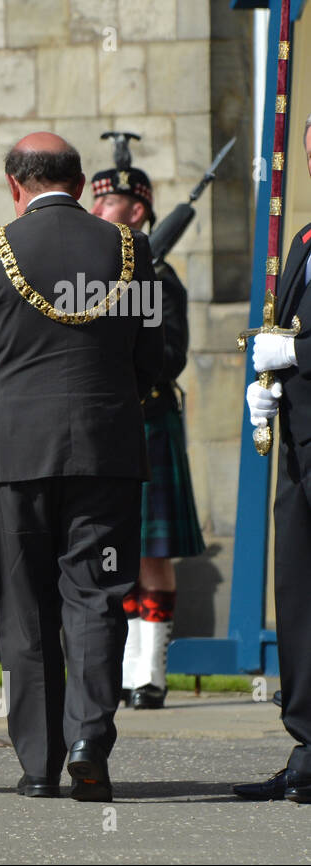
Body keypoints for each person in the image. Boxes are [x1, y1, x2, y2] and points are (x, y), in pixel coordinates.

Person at [0, 133, 162, 802]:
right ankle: (88, 741)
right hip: (103, 450)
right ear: (77, 184)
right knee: (96, 599)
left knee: (26, 609)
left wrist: (11, 408)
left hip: (15, 453)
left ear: (14, 185)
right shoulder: (132, 248)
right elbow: (151, 357)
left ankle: (39, 765)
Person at [90, 149, 205, 711]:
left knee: (151, 553)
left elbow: (170, 357)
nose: (98, 208)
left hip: (149, 419)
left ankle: (150, 672)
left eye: (107, 200)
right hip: (107, 423)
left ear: (137, 211)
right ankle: (124, 664)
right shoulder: (92, 273)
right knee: (115, 549)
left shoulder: (159, 277)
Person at [236, 114, 311, 805]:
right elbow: (278, 329)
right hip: (299, 448)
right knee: (299, 599)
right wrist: (271, 386)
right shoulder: (305, 241)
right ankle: (309, 746)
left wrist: (297, 355)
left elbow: (297, 340)